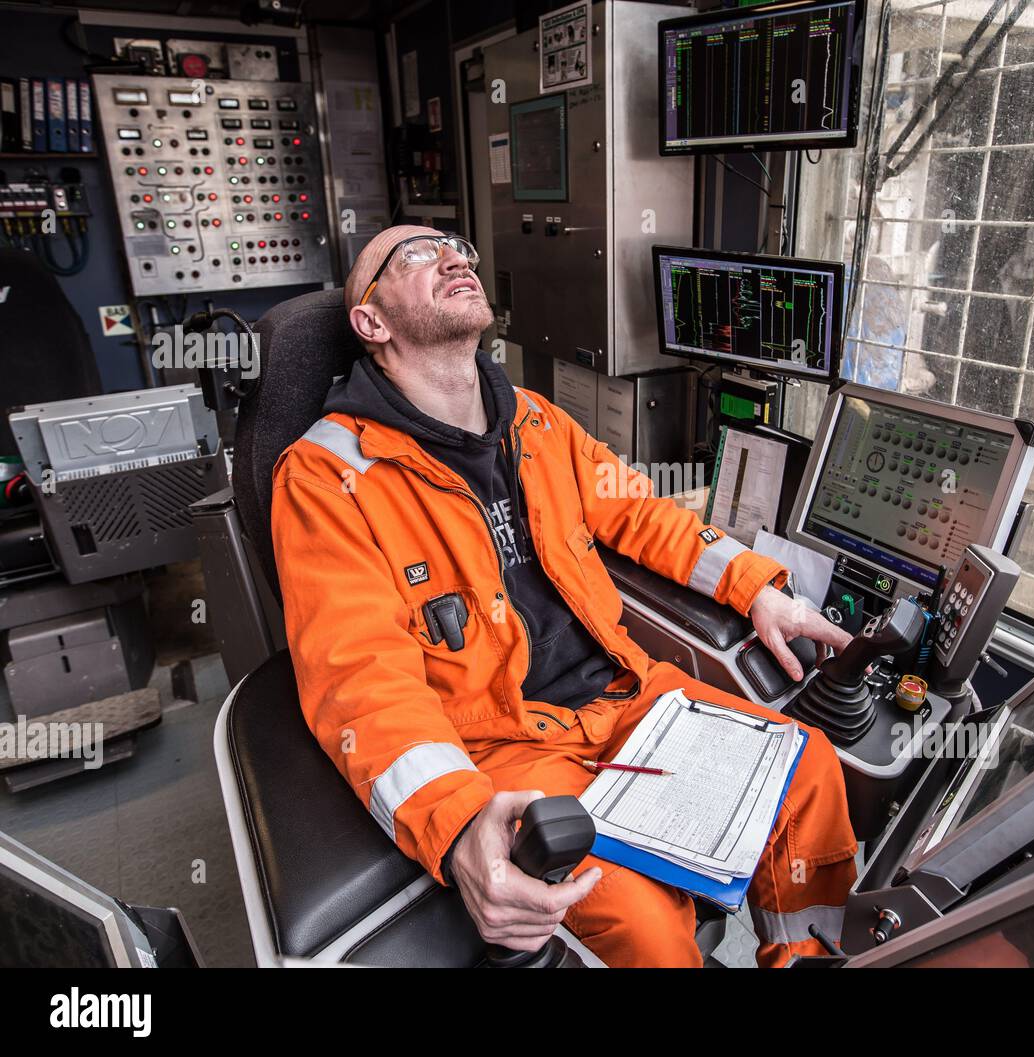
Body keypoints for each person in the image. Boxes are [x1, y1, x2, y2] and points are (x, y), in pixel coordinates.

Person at [270, 225, 860, 967]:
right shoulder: (325, 476)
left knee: (808, 768)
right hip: (503, 748)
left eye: (457, 248)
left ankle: (802, 955)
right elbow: (359, 683)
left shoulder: (537, 421)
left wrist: (756, 589)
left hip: (634, 698)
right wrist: (456, 828)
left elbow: (642, 511)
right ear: (372, 320)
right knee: (649, 928)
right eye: (416, 255)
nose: (455, 257)